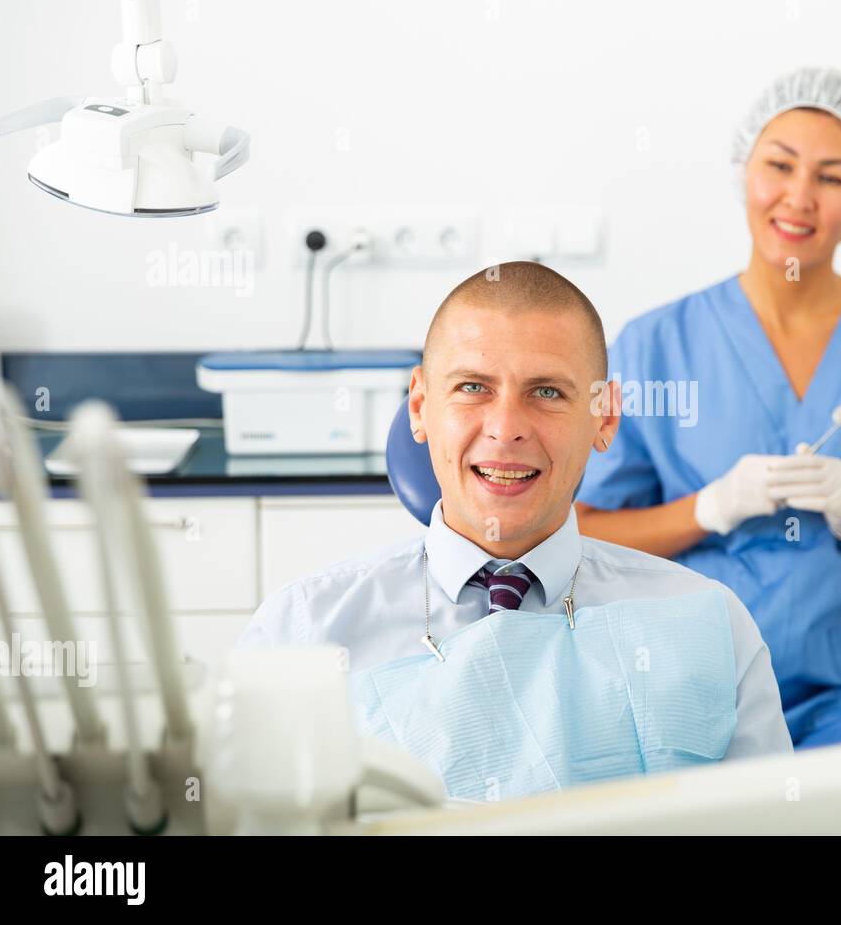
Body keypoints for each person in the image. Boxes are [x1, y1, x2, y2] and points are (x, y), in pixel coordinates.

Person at [575, 68, 841, 749]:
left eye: (833, 177)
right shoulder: (653, 346)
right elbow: (590, 531)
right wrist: (707, 508)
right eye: (779, 165)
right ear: (744, 171)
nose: (799, 197)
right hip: (687, 686)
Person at [238, 261, 792, 801]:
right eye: (474, 387)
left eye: (547, 391)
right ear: (421, 405)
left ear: (605, 417)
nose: (506, 430)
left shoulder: (707, 625)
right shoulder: (306, 632)